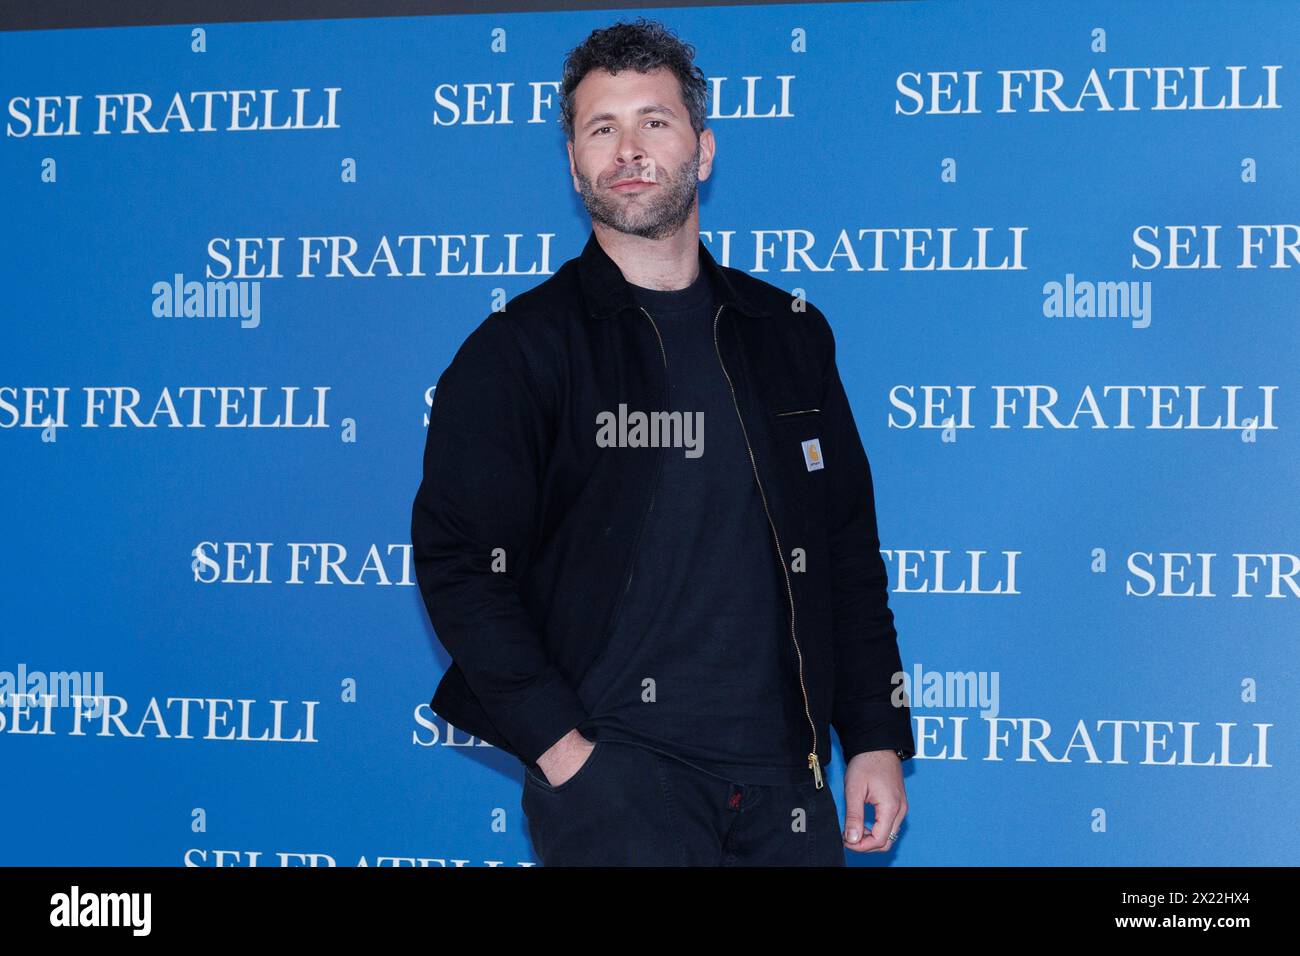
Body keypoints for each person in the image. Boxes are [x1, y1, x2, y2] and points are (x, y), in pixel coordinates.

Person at [411, 17, 914, 866]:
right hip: (620, 782)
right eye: (600, 128)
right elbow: (460, 564)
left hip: (786, 782)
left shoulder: (787, 334)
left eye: (655, 121)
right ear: (574, 165)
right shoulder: (522, 349)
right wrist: (566, 753)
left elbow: (844, 551)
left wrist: (872, 735)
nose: (628, 149)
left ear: (703, 150)